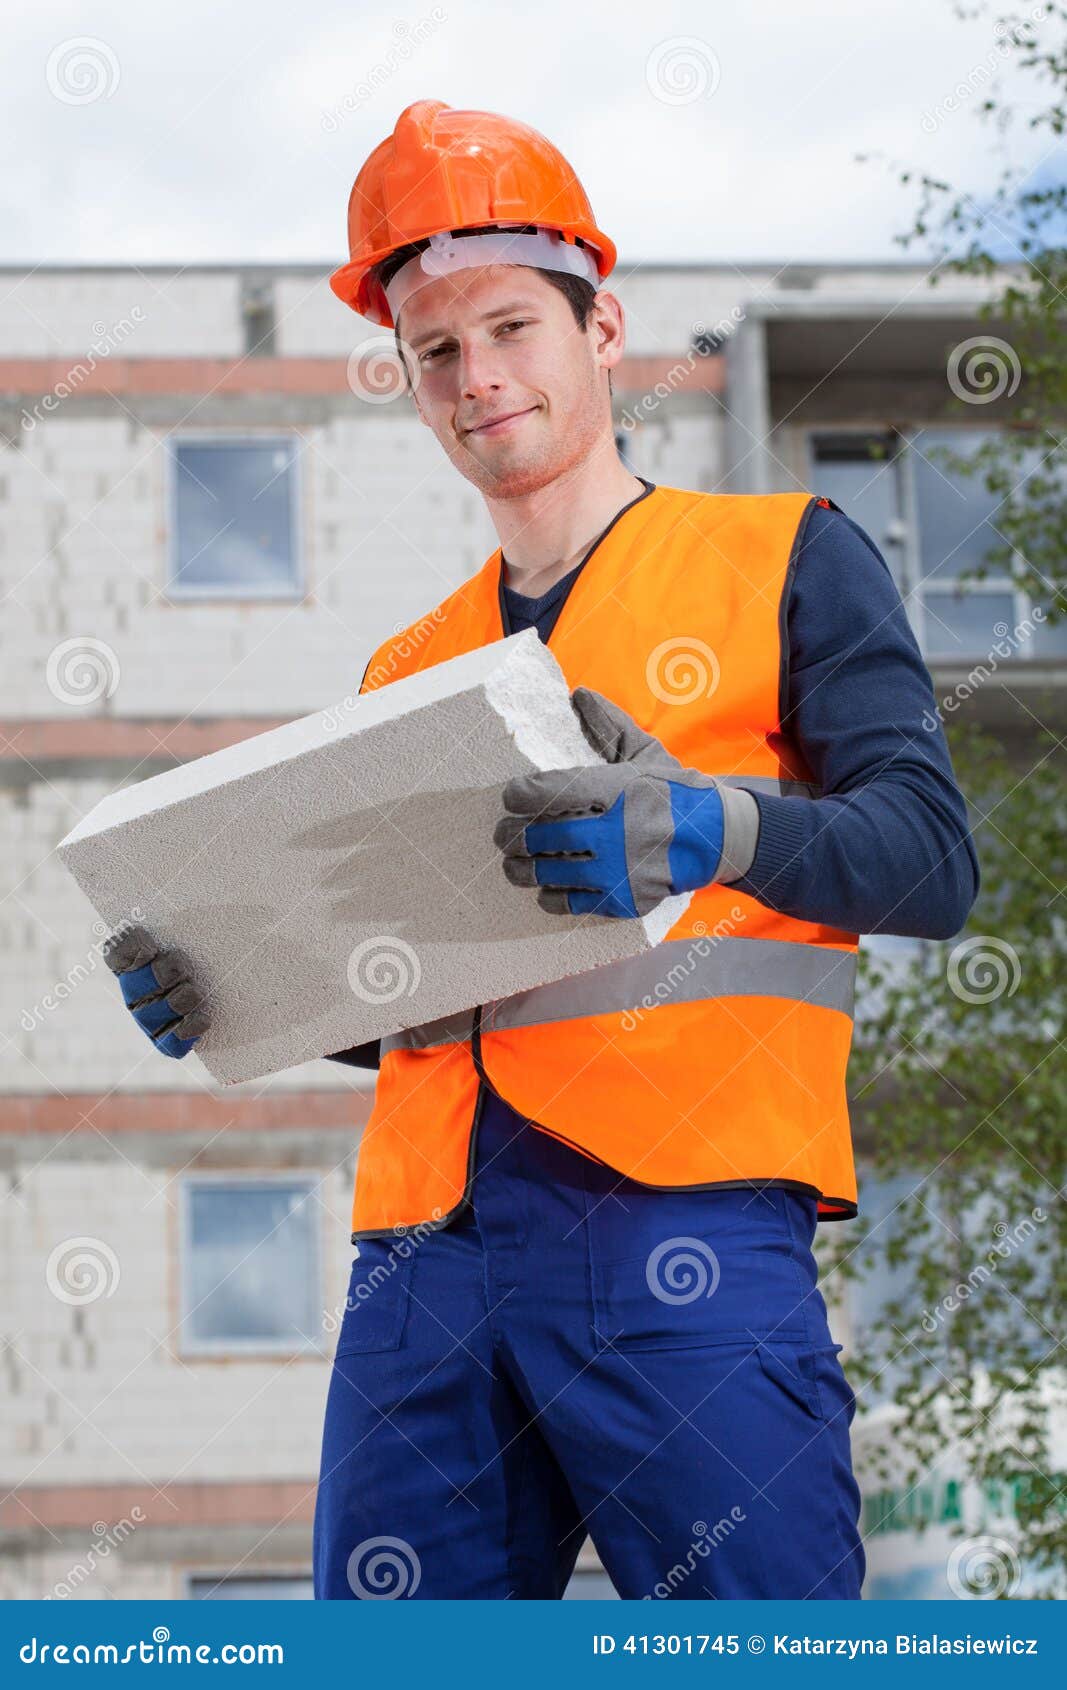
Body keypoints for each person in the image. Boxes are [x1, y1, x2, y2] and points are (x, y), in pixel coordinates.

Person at [104, 99, 980, 1600]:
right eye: (436, 351)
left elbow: (931, 859)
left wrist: (715, 825)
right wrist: (246, 988)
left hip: (679, 1231)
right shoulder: (410, 668)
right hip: (421, 1266)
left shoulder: (784, 558)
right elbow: (438, 1001)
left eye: (511, 325)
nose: (478, 377)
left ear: (605, 329)